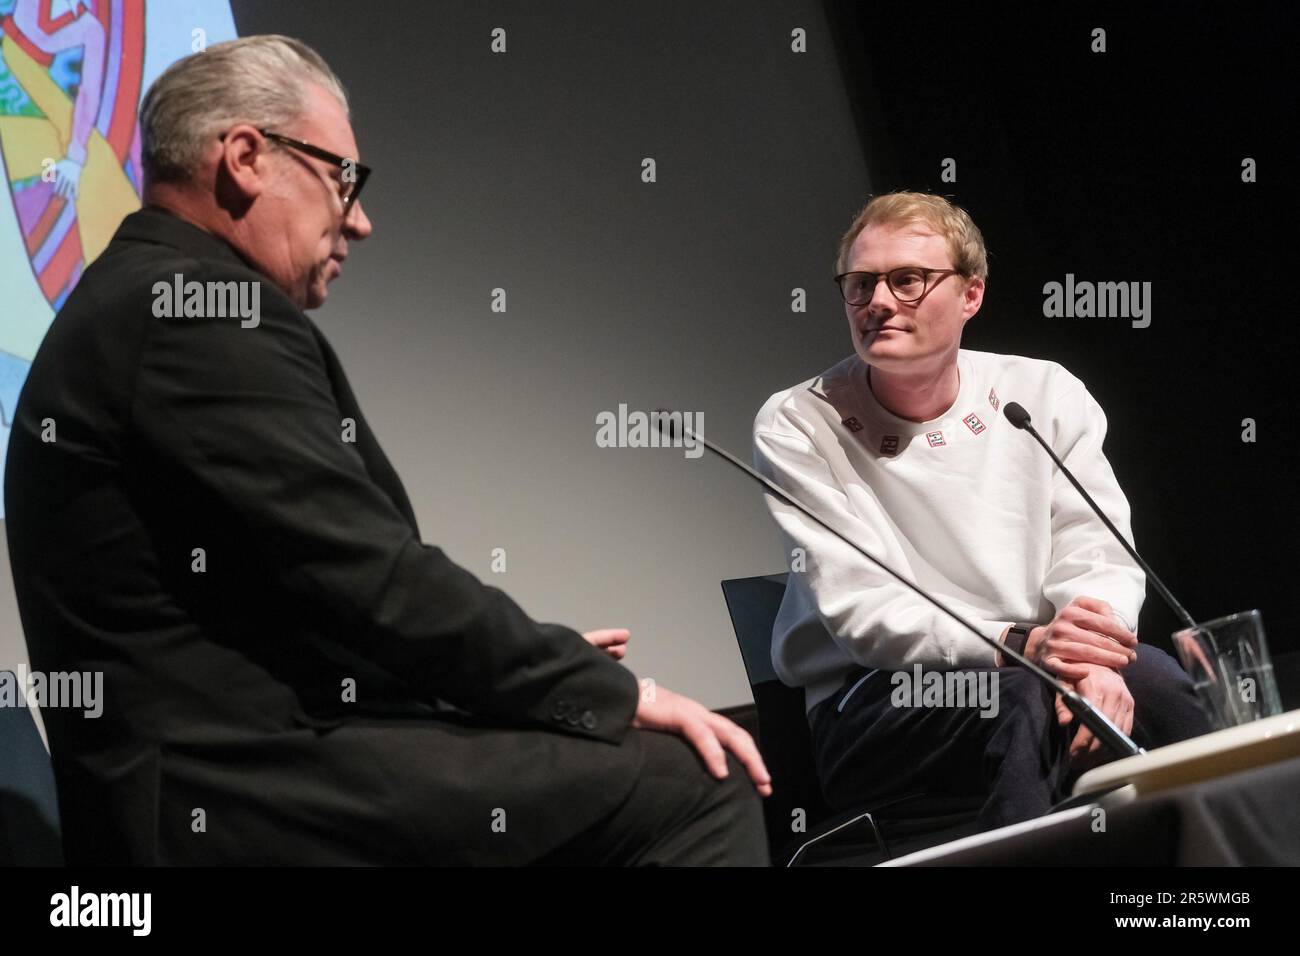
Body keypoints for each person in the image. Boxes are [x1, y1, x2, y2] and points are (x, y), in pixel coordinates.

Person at [4, 35, 769, 866]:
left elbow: (302, 603)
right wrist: (605, 692)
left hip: (228, 771)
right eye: (344, 178)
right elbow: (371, 579)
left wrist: (526, 675)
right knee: (697, 781)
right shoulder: (195, 311)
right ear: (248, 158)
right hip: (238, 792)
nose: (360, 221)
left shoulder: (145, 300)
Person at [752, 191, 1209, 831]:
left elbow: (1095, 545)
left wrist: (1092, 656)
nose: (878, 302)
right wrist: (1024, 647)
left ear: (971, 295)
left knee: (1161, 685)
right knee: (1023, 699)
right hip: (874, 699)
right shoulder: (800, 422)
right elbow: (865, 614)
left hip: (1047, 661)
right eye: (860, 285)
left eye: (907, 280)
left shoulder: (1041, 393)